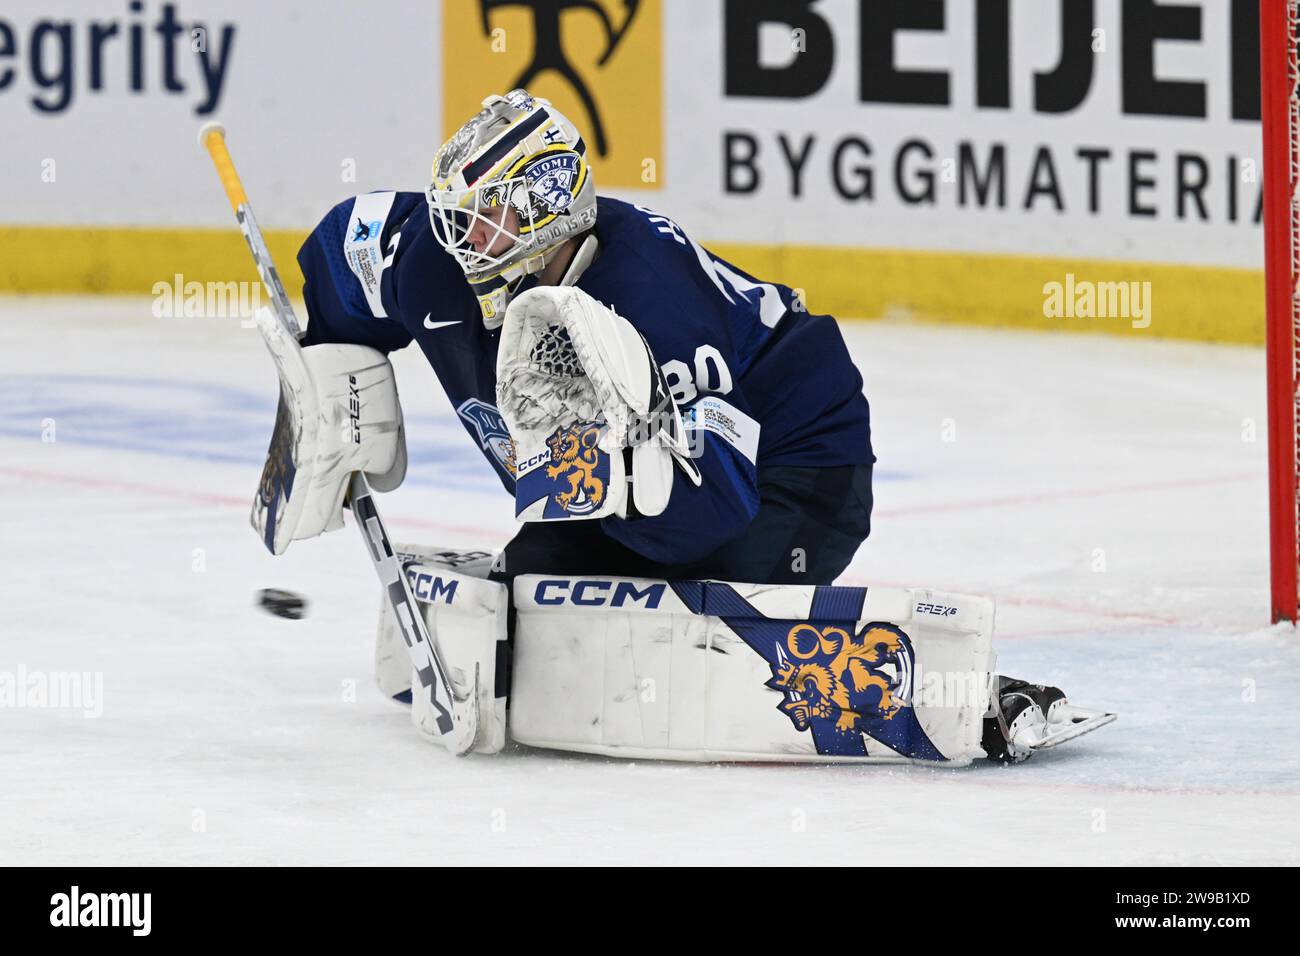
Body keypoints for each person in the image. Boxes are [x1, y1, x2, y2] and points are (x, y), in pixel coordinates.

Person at [296, 89, 874, 586]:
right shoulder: (434, 260)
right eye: (458, 216)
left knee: (693, 586)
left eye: (488, 214)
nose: (464, 238)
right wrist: (329, 361)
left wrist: (621, 482)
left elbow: (713, 508)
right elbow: (348, 247)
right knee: (539, 578)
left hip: (801, 463)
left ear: (546, 206)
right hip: (719, 477)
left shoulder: (651, 300)